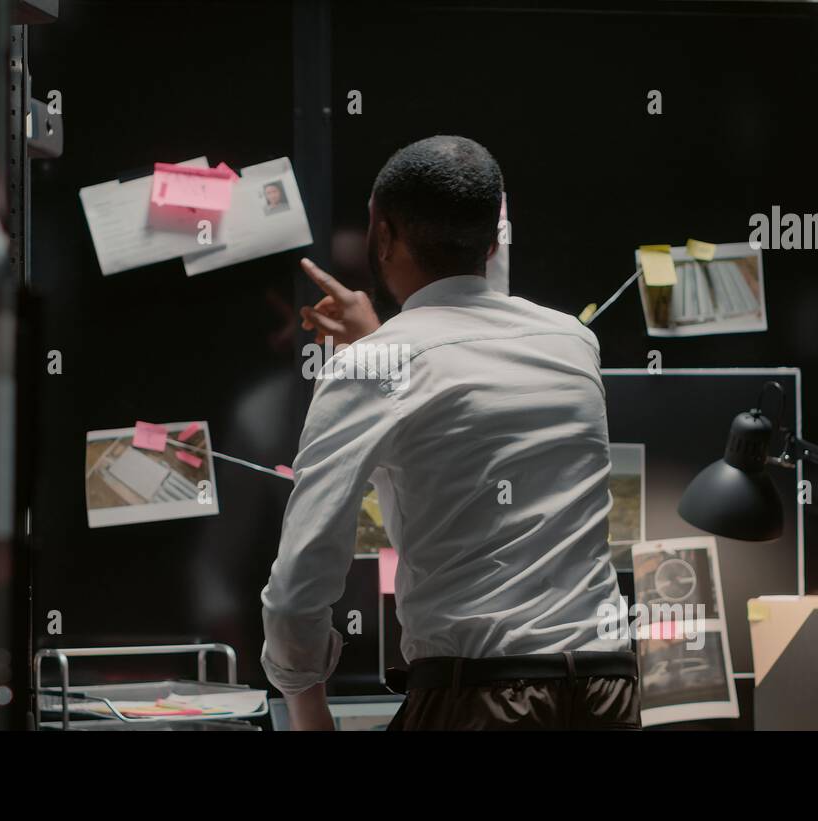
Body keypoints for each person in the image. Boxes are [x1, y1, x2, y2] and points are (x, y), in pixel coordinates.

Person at [260, 135, 639, 731]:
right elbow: (475, 364)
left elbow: (299, 585)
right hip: (610, 694)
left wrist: (309, 715)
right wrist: (382, 343)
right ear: (495, 240)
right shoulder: (574, 343)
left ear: (380, 235)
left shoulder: (370, 368)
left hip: (482, 702)